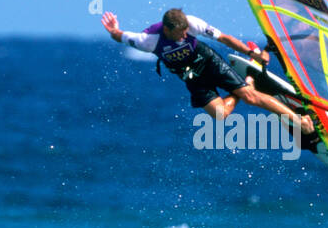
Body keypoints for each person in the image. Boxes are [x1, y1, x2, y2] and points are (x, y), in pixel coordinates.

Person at [102, 8, 314, 134]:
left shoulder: (191, 23)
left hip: (207, 60)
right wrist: (113, 29)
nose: (184, 37)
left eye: (186, 33)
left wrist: (252, 52)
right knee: (221, 115)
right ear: (167, 30)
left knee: (250, 98)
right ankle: (248, 81)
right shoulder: (147, 41)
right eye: (179, 35)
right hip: (191, 76)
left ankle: (299, 119)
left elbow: (223, 38)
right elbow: (120, 36)